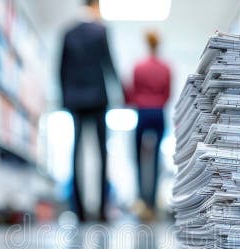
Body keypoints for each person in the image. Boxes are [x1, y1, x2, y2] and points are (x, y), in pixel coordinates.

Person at [59, 0, 120, 222]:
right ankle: (103, 210)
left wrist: (65, 99)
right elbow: (109, 64)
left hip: (75, 100)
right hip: (98, 99)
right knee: (102, 152)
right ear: (95, 6)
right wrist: (120, 93)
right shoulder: (101, 31)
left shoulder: (68, 33)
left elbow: (61, 68)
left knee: (76, 153)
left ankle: (79, 211)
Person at [127, 30, 171, 221]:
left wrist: (141, 101)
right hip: (159, 114)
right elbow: (168, 94)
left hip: (143, 113)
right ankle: (152, 204)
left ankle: (141, 200)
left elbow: (131, 93)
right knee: (155, 159)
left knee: (137, 157)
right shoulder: (166, 68)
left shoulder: (138, 67)